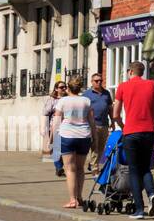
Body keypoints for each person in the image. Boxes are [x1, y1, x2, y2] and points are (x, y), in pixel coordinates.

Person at [114, 62, 154, 218]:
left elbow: (115, 114)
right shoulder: (152, 85)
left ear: (130, 71)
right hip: (149, 130)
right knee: (145, 167)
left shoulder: (123, 86)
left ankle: (139, 209)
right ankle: (152, 194)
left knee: (134, 170)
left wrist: (123, 125)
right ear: (142, 72)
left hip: (131, 132)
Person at [54, 78, 96, 208]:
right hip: (84, 136)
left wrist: (52, 139)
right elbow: (91, 121)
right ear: (80, 88)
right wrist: (94, 137)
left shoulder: (62, 101)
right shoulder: (86, 101)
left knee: (70, 169)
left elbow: (56, 122)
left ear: (68, 88)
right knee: (80, 168)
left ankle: (73, 200)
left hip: (67, 136)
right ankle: (79, 197)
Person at [83, 74, 113, 173]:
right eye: (96, 81)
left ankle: (92, 164)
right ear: (92, 82)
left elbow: (110, 108)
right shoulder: (86, 94)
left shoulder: (106, 93)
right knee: (94, 147)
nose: (99, 82)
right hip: (92, 124)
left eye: (100, 80)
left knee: (101, 147)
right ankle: (95, 168)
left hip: (104, 124)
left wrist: (112, 121)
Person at [44, 82, 66, 177]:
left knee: (64, 149)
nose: (64, 89)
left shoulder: (68, 99)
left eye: (65, 87)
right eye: (61, 87)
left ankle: (60, 165)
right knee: (56, 148)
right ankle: (59, 167)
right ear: (56, 89)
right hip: (55, 126)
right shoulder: (52, 100)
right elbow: (45, 112)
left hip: (67, 127)